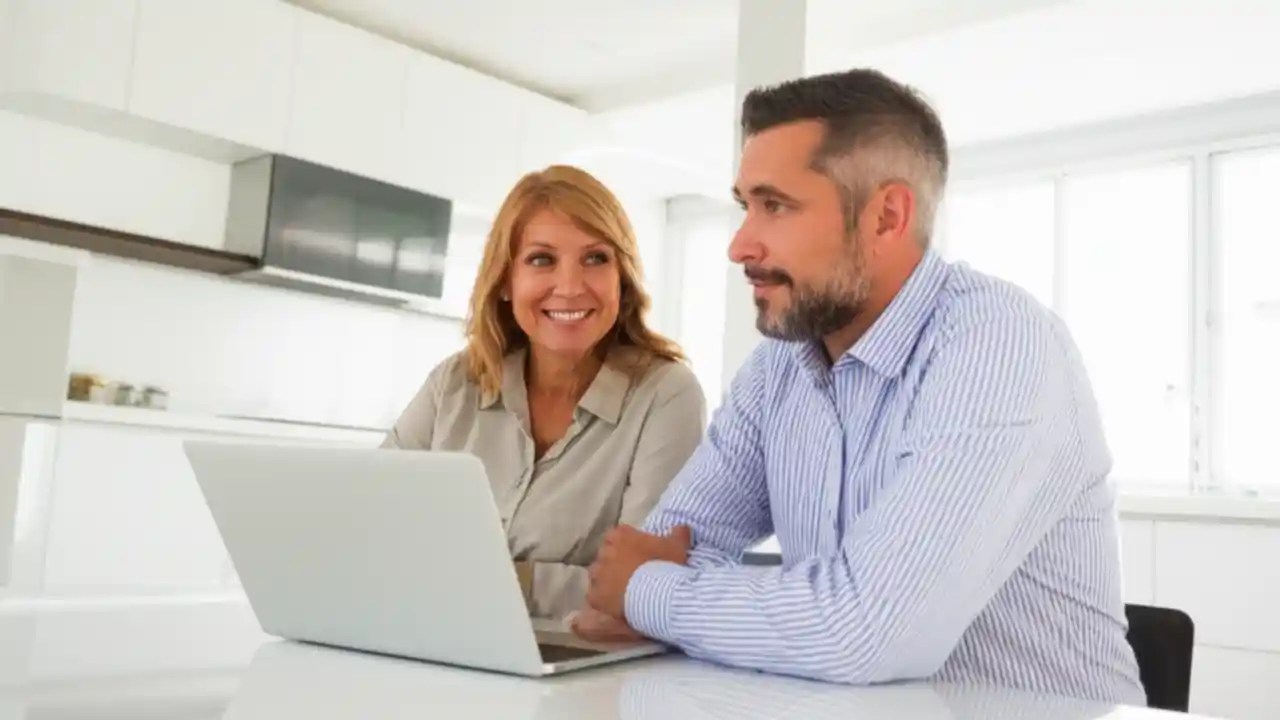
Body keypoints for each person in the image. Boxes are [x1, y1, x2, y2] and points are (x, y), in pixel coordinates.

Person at [575, 69, 1145, 705]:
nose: (740, 245)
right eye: (745, 207)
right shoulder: (777, 369)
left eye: (775, 206)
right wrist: (667, 590)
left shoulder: (1001, 344)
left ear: (885, 217)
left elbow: (865, 634)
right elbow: (673, 549)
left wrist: (647, 593)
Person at [383, 165, 705, 620]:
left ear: (623, 278)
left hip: (579, 658)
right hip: (428, 635)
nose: (570, 287)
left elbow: (645, 585)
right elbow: (374, 526)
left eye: (596, 258)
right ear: (505, 281)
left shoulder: (666, 395)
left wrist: (504, 582)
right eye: (541, 260)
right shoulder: (454, 384)